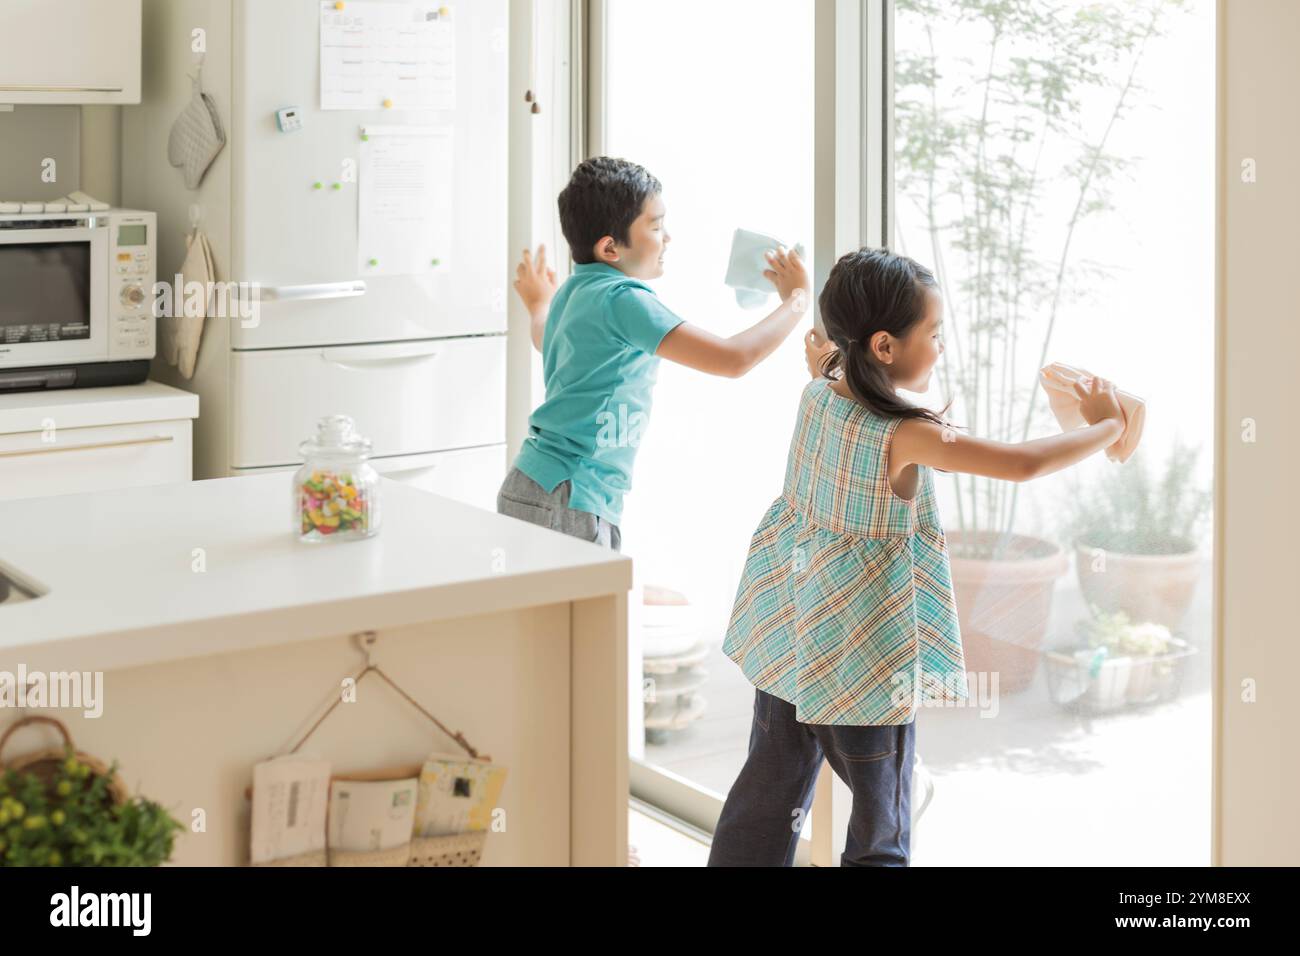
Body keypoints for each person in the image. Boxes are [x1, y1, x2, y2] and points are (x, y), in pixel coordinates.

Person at [708, 247, 1125, 866]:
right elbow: (1022, 463)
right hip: (863, 667)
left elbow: (826, 354)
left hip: (790, 641)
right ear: (882, 346)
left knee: (766, 798)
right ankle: (905, 787)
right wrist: (1109, 426)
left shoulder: (821, 392)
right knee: (882, 830)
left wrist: (808, 313)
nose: (940, 346)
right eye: (932, 333)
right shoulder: (906, 433)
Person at [497, 155, 810, 550]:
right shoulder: (622, 299)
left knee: (549, 612)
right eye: (657, 226)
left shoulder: (574, 292)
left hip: (534, 486)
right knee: (583, 612)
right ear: (611, 247)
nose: (668, 238)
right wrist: (797, 300)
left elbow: (545, 338)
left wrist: (539, 303)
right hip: (570, 496)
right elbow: (733, 359)